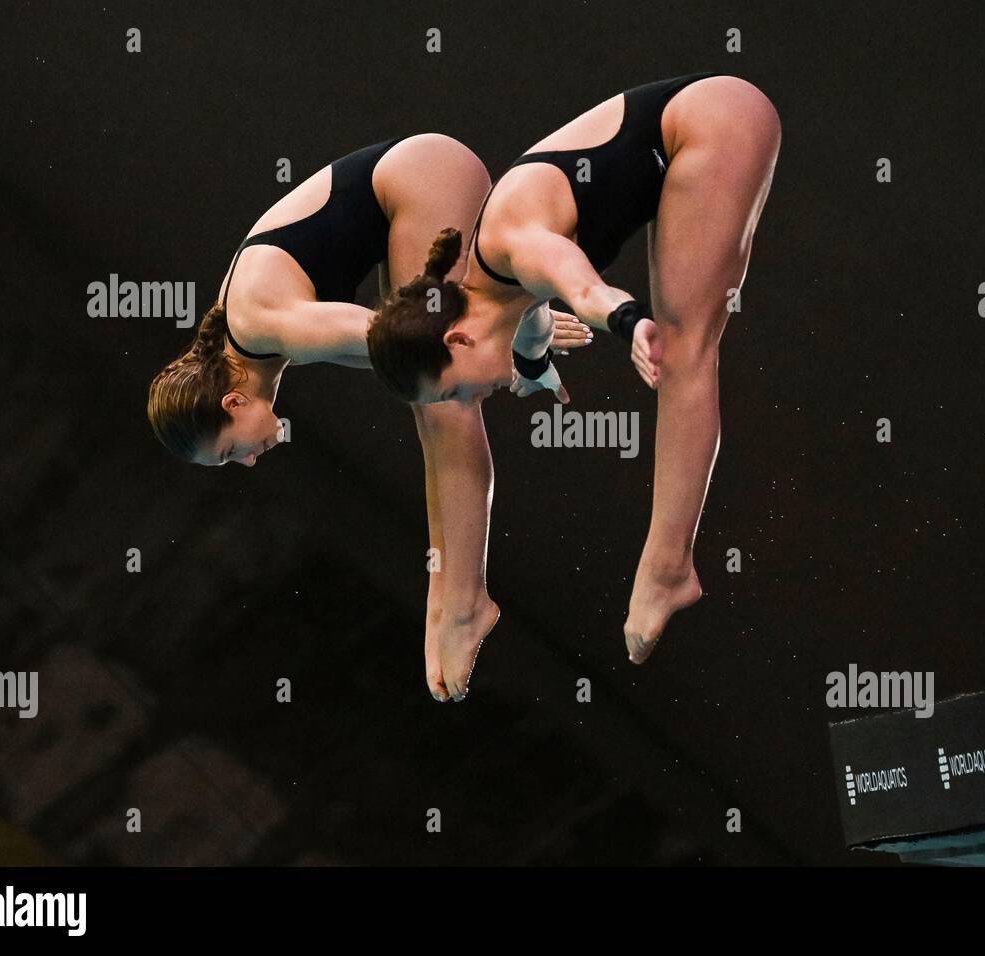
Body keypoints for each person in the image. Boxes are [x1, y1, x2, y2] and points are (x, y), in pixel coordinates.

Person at [366, 76, 780, 697]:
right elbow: (531, 334)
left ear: (457, 340)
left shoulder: (508, 244)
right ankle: (665, 570)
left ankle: (668, 569)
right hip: (683, 141)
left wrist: (627, 319)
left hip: (710, 120)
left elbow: (580, 286)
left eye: (451, 393)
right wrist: (532, 368)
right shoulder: (503, 305)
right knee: (683, 346)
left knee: (684, 347)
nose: (464, 405)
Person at [146, 133, 593, 701]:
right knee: (425, 397)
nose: (252, 460)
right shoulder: (261, 340)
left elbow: (438, 349)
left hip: (423, 175)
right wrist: (517, 339)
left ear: (233, 403)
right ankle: (446, 593)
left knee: (441, 401)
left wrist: (525, 345)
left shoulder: (275, 328)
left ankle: (464, 602)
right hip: (404, 188)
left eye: (234, 450)